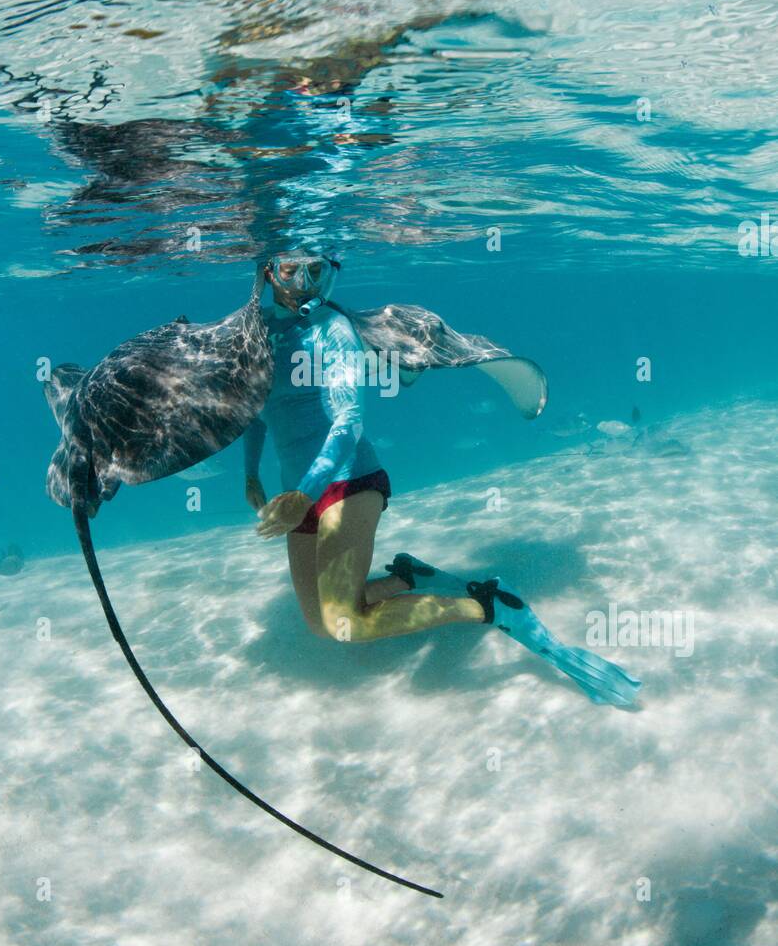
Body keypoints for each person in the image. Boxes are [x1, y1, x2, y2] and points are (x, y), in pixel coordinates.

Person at [244, 249, 641, 708]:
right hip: (298, 494)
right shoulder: (259, 338)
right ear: (269, 273)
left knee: (342, 622)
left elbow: (348, 420)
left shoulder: (334, 332)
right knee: (319, 623)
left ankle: (490, 606)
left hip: (347, 482)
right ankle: (408, 579)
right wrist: (251, 472)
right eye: (292, 271)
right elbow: (254, 410)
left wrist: (303, 492)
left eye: (316, 271)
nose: (305, 284)